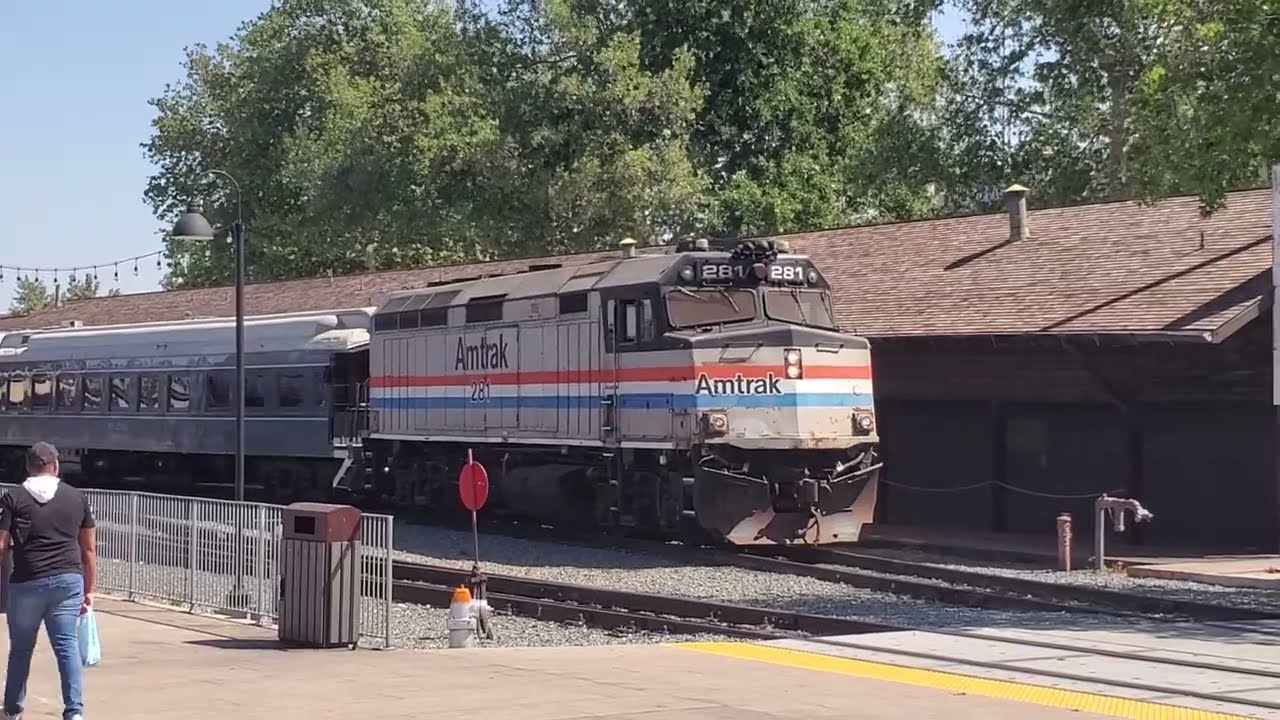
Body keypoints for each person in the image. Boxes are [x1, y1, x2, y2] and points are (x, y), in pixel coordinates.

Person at [0, 442, 96, 720]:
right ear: (55, 465)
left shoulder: (13, 498)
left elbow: (2, 547)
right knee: (66, 647)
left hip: (27, 581)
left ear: (29, 467)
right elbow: (89, 549)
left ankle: (13, 710)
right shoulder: (76, 497)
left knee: (20, 649)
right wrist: (88, 590)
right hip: (68, 581)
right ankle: (75, 712)